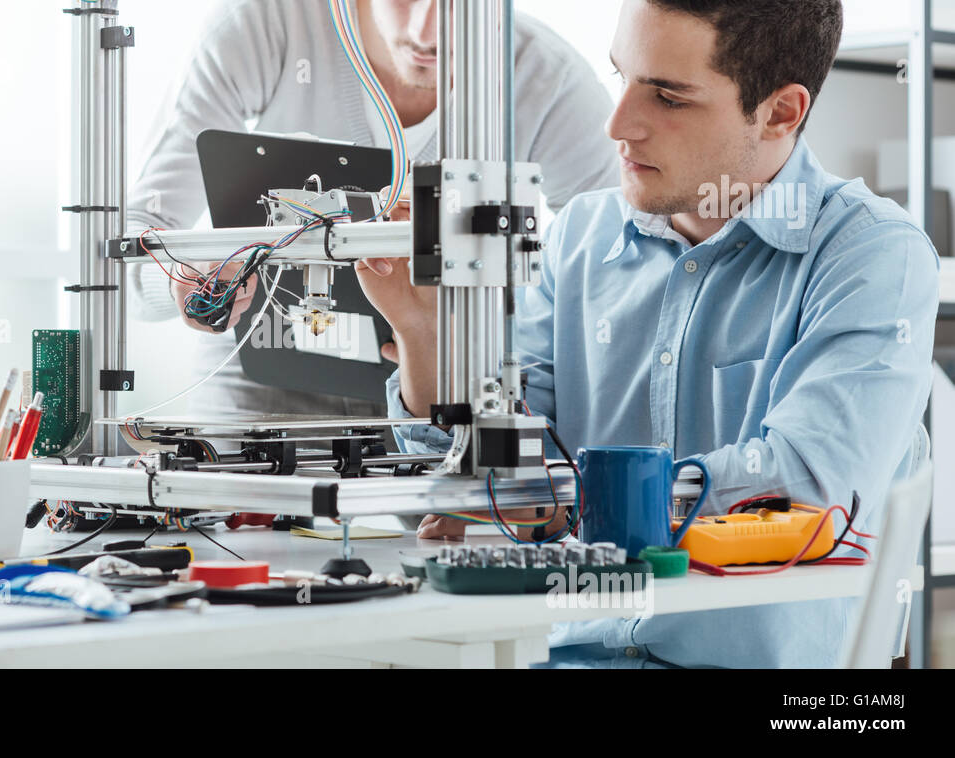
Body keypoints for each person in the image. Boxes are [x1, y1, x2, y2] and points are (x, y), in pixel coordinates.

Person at [359, 0, 938, 667]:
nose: (618, 126)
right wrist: (422, 333)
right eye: (621, 77)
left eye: (667, 96)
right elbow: (479, 475)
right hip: (562, 655)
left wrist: (556, 504)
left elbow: (804, 485)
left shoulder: (870, 255)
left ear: (781, 111)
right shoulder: (581, 236)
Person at [126, 0, 619, 418]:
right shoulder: (268, 21)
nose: (425, 32)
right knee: (217, 522)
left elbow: (616, 268)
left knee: (467, 528)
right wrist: (187, 280)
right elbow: (132, 245)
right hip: (258, 375)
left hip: (440, 381)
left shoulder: (549, 81)